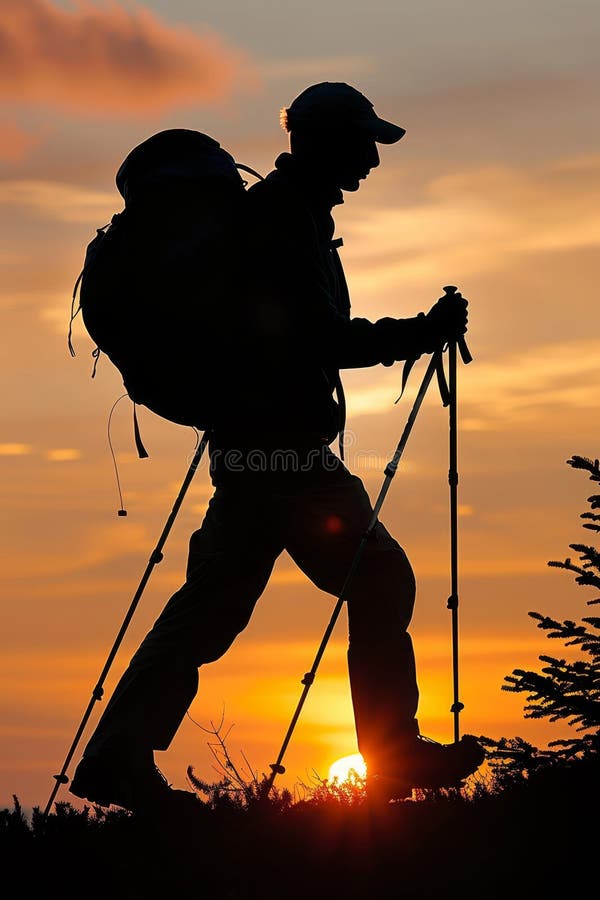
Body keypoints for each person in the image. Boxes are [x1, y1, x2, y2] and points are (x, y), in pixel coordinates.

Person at [70, 82, 483, 813]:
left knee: (209, 611)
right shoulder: (281, 227)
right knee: (378, 578)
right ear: (323, 142)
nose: (372, 161)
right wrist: (418, 332)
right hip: (283, 453)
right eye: (364, 144)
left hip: (255, 448)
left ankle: (117, 757)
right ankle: (389, 754)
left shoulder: (281, 221)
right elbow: (311, 339)